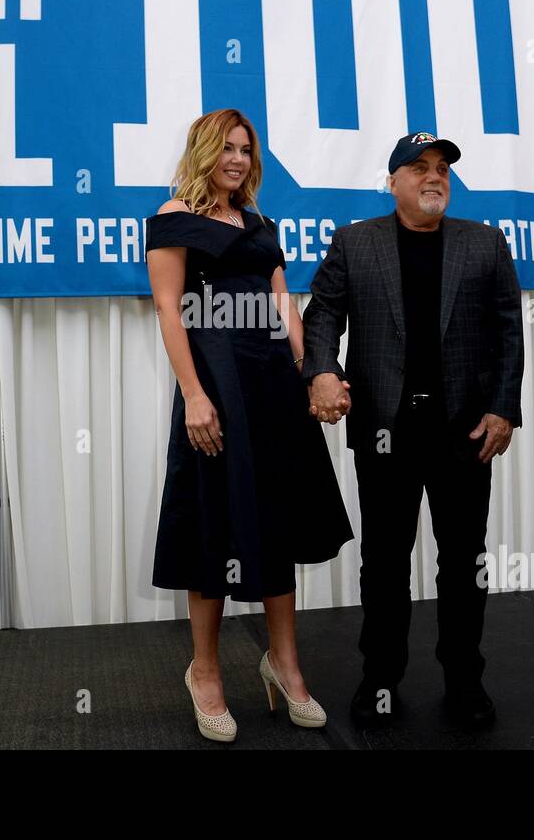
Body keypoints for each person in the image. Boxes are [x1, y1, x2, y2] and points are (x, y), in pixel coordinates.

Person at [301, 131, 524, 730]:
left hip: (466, 432)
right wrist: (322, 369)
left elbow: (509, 332)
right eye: (419, 168)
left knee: (463, 561)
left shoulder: (485, 244)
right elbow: (322, 314)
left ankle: (464, 680)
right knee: (384, 562)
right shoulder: (355, 242)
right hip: (385, 432)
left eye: (443, 170)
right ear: (393, 180)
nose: (434, 177)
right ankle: (379, 680)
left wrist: (503, 409)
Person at [145, 108, 353, 743]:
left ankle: (284, 663)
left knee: (278, 520)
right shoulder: (172, 217)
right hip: (216, 384)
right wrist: (194, 395)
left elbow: (281, 301)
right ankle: (204, 671)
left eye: (244, 148)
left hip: (272, 388)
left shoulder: (260, 223)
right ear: (204, 151)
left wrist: (313, 369)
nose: (237, 158)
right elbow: (168, 307)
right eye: (226, 148)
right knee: (215, 522)